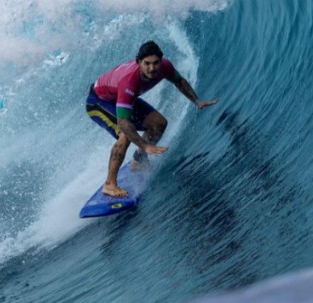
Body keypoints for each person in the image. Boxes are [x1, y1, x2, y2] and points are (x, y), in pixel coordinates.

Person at [86, 40, 218, 197]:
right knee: (125, 135)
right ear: (139, 62)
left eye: (156, 63)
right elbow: (123, 122)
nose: (152, 68)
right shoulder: (129, 80)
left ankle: (138, 161)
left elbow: (179, 81)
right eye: (147, 63)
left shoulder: (165, 67)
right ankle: (109, 184)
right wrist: (144, 144)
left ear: (161, 61)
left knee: (158, 123)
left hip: (121, 98)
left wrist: (197, 101)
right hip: (99, 102)